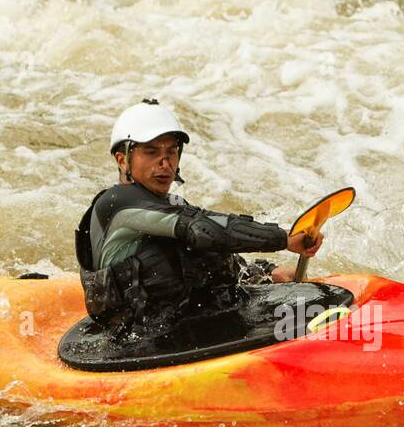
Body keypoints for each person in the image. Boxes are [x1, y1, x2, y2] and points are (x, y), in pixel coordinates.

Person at [74, 99, 322, 335]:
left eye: (171, 152)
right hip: (134, 338)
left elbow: (215, 249)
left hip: (186, 325)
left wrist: (268, 273)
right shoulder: (118, 204)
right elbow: (205, 230)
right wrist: (283, 238)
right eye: (151, 152)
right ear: (122, 160)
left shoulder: (172, 206)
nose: (164, 162)